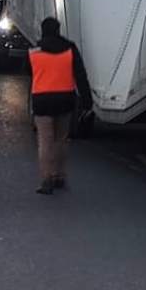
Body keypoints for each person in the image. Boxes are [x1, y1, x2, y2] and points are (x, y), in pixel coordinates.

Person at [29, 17, 91, 195]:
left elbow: (26, 70)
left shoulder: (35, 51)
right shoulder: (70, 49)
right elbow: (81, 75)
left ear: (43, 30)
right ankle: (59, 176)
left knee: (45, 140)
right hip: (65, 99)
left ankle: (46, 179)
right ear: (58, 30)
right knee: (61, 139)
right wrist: (87, 102)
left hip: (41, 100)